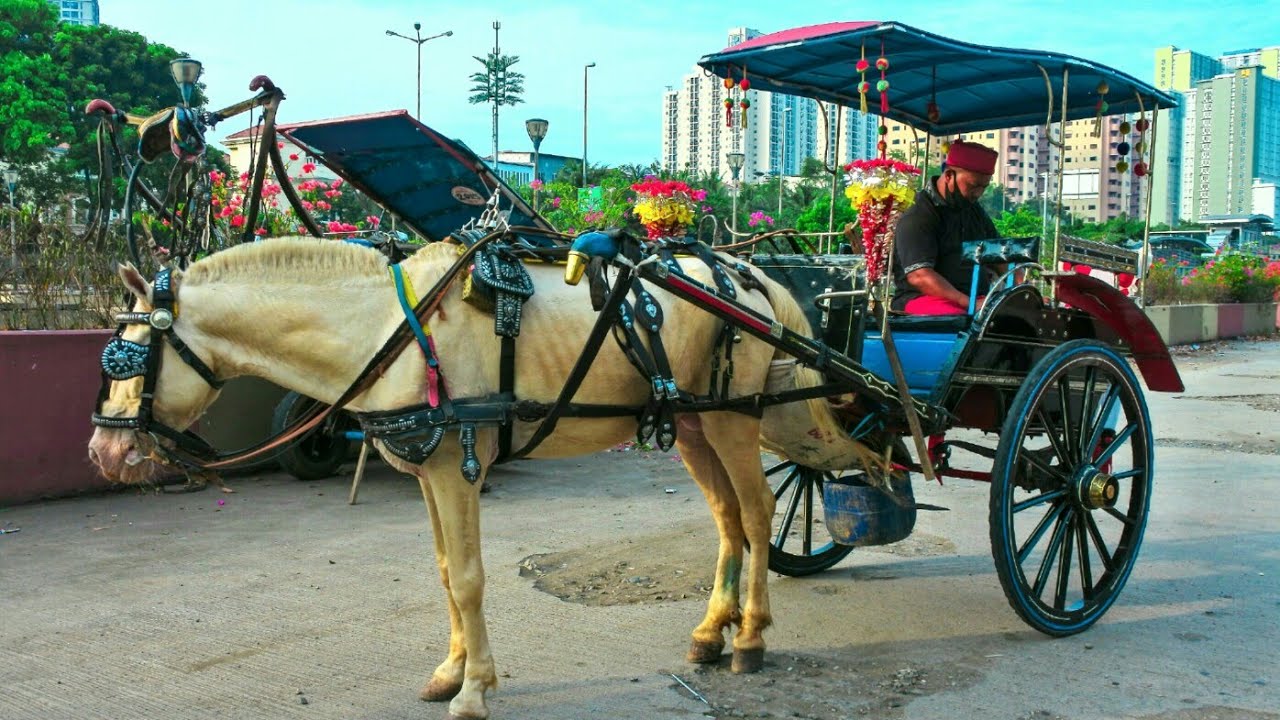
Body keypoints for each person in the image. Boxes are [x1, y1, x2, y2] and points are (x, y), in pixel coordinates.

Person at [891, 140, 1002, 315]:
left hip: (973, 299)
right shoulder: (919, 216)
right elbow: (920, 276)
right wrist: (969, 303)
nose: (978, 193)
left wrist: (1022, 288)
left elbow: (999, 254)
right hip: (920, 299)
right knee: (960, 317)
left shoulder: (974, 211)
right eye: (973, 186)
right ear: (949, 175)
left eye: (984, 187)